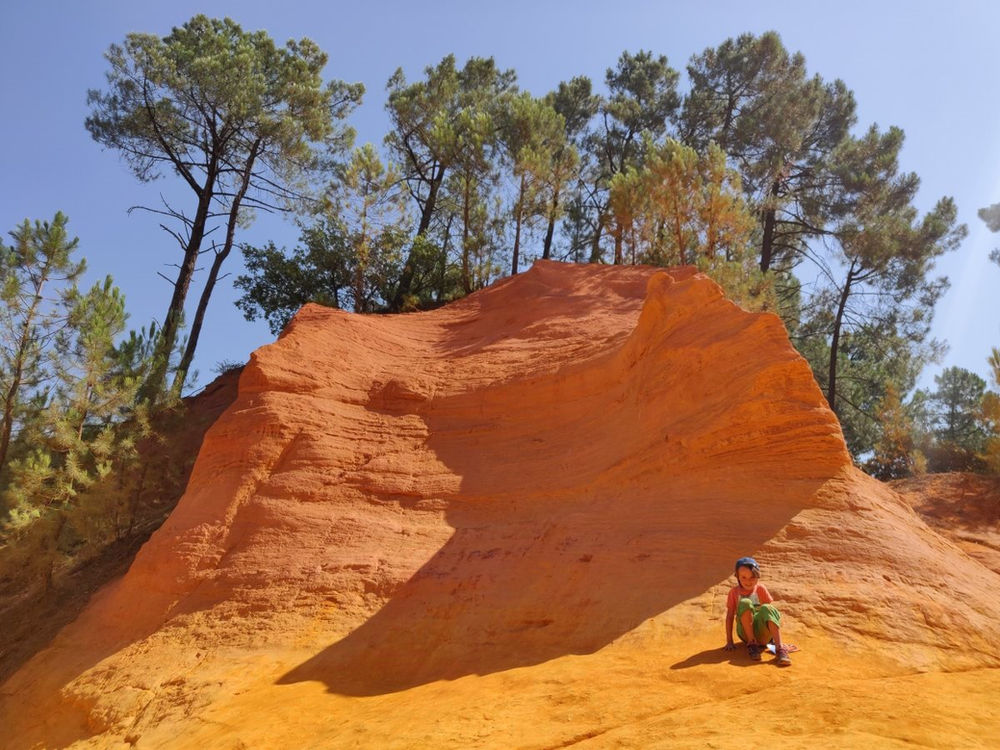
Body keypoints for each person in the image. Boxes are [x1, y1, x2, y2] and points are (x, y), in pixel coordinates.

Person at [723, 556, 791, 666]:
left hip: (763, 634)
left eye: (752, 577)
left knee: (768, 607)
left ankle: (780, 649)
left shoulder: (761, 589)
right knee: (745, 602)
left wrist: (773, 641)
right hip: (745, 633)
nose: (748, 581)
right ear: (737, 577)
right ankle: (752, 644)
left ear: (757, 576)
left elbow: (769, 615)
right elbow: (730, 616)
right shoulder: (734, 593)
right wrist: (729, 641)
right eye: (743, 577)